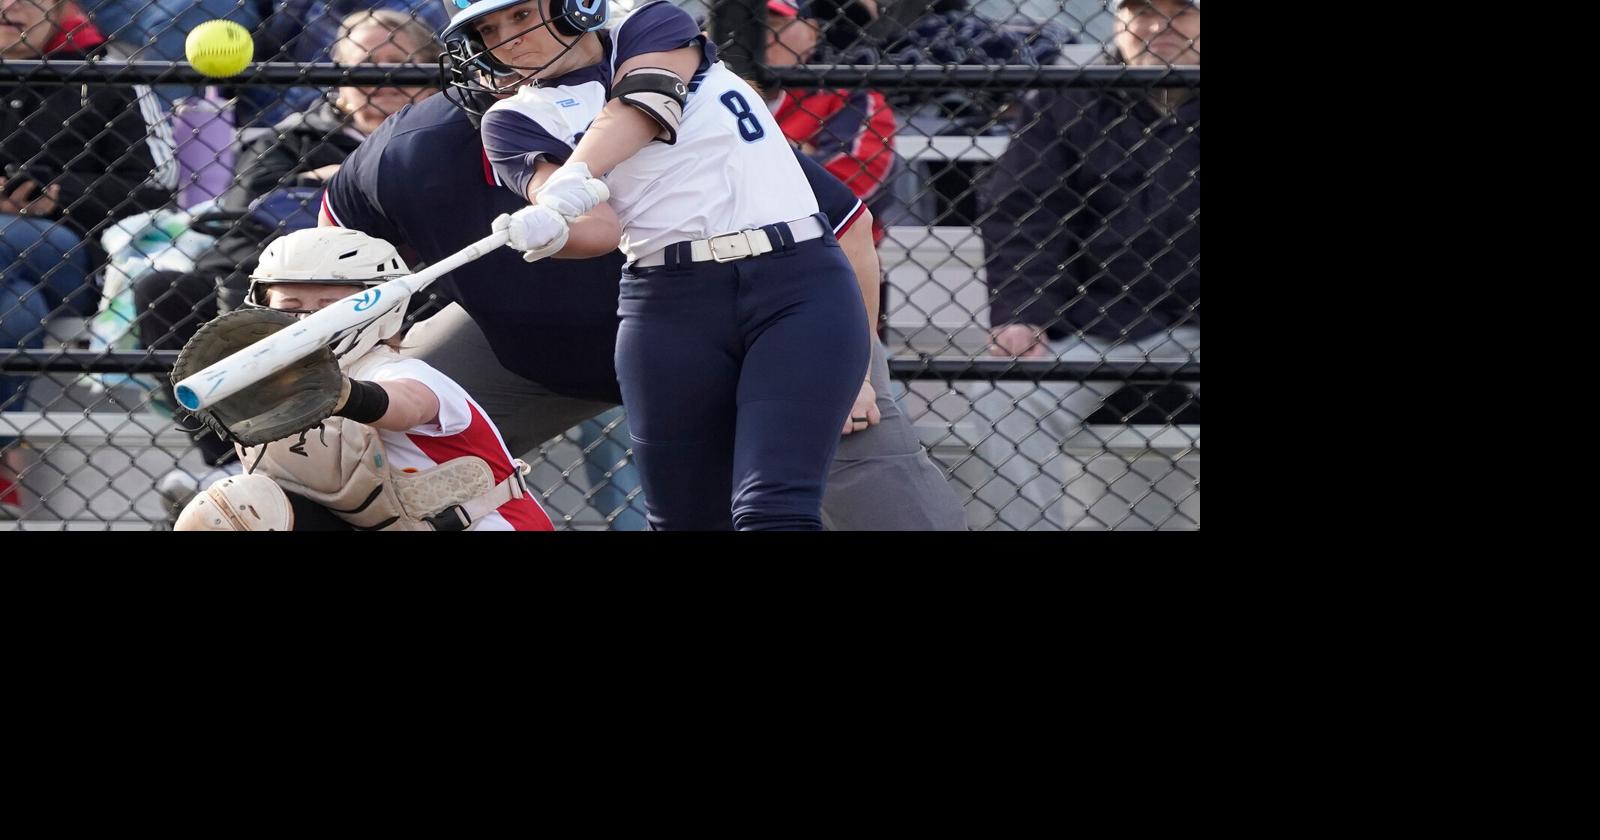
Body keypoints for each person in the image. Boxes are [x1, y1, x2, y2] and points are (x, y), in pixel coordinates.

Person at [318, 0, 968, 530]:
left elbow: (846, 228)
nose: (509, 44)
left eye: (522, 17)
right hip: (543, 352)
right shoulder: (426, 146)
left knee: (861, 496)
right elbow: (328, 254)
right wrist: (376, 360)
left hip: (768, 317)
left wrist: (851, 370)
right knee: (353, 445)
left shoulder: (669, 72)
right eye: (487, 30)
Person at [137, 7, 442, 475]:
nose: (381, 77)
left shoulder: (448, 141)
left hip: (406, 296)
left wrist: (335, 188)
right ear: (338, 79)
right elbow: (243, 226)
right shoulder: (293, 139)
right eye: (362, 65)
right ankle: (229, 462)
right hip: (291, 297)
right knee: (163, 290)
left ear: (430, 73)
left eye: (399, 61)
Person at [972, 0, 1199, 529]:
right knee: (1002, 404)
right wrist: (1023, 311)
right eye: (1138, 10)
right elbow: (1027, 210)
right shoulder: (1069, 96)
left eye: (1181, 11)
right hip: (1101, 321)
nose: (1155, 26)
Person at [173, 226, 554, 531]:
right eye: (290, 309)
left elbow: (408, 404)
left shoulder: (396, 371)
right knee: (233, 510)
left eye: (330, 308)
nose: (308, 323)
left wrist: (344, 396)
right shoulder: (270, 385)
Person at [2, 0, 175, 516]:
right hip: (18, 282)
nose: (10, 6)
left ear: (58, 7)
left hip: (69, 252)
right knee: (16, 307)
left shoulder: (108, 73)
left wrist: (59, 193)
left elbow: (160, 184)